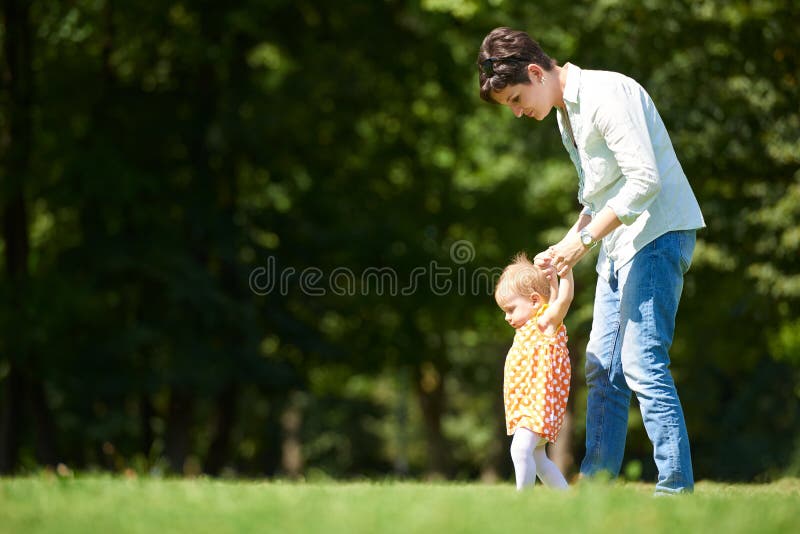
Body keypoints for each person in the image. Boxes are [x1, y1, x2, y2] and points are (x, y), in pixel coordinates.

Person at [477, 27, 705, 494]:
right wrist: (562, 248)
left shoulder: (606, 94)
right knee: (603, 366)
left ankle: (675, 490)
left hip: (658, 236)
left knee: (642, 362)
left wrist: (582, 245)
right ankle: (597, 489)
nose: (519, 112)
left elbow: (645, 181)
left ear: (536, 72)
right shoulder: (566, 117)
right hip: (620, 245)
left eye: (518, 99)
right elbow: (596, 199)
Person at [495, 252, 573, 490]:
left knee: (519, 449)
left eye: (510, 309)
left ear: (535, 301)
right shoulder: (533, 324)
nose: (507, 317)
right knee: (538, 459)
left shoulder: (544, 323)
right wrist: (552, 284)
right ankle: (567, 499)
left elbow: (562, 303)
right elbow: (553, 300)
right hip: (528, 404)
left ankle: (523, 501)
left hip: (538, 404)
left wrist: (566, 273)